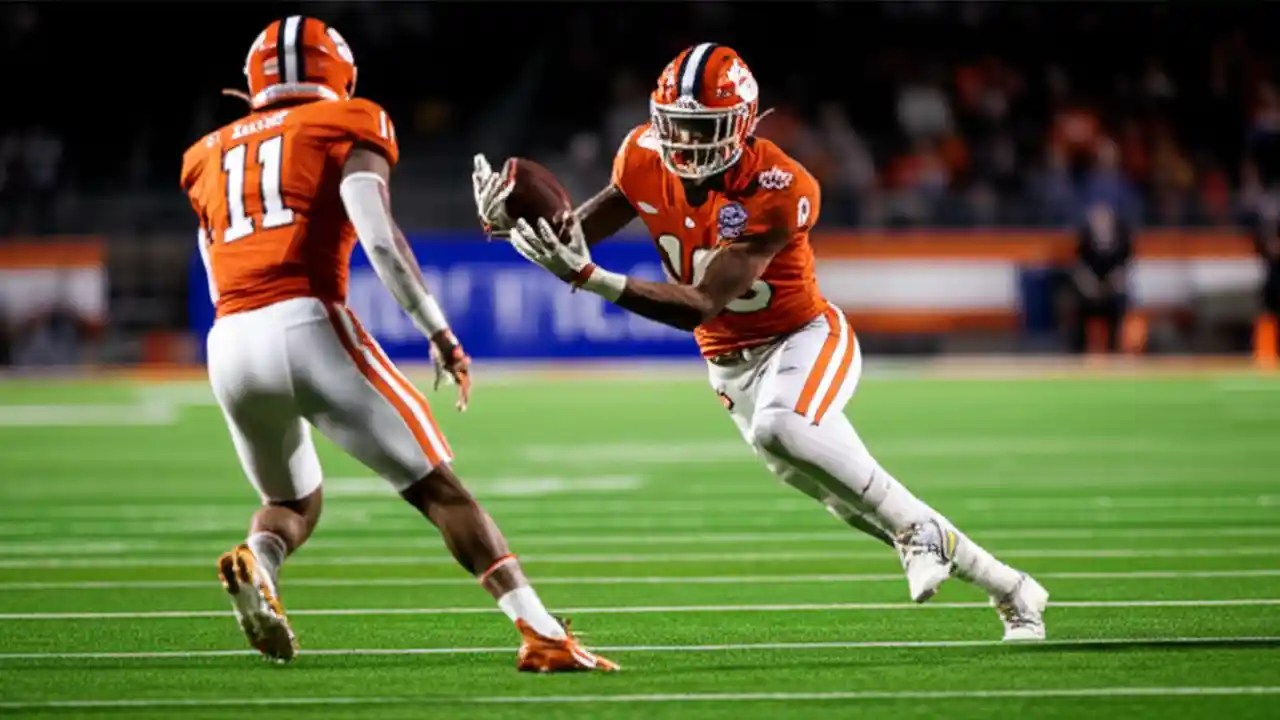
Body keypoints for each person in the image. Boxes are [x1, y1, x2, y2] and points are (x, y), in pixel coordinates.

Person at [473, 44, 1048, 641]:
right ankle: (1011, 588)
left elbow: (699, 304)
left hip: (802, 338)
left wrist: (590, 280)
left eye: (703, 129)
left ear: (743, 124)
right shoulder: (642, 155)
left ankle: (921, 534)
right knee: (848, 501)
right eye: (677, 127)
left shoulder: (780, 185)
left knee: (784, 427)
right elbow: (577, 235)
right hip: (728, 367)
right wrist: (516, 225)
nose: (687, 144)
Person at [181, 17, 615, 672]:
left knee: (292, 502)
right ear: (340, 75)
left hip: (231, 343)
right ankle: (542, 632)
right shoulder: (348, 121)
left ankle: (259, 563)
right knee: (441, 492)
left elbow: (214, 266)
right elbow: (379, 238)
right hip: (308, 321)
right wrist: (438, 330)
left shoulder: (204, 154)